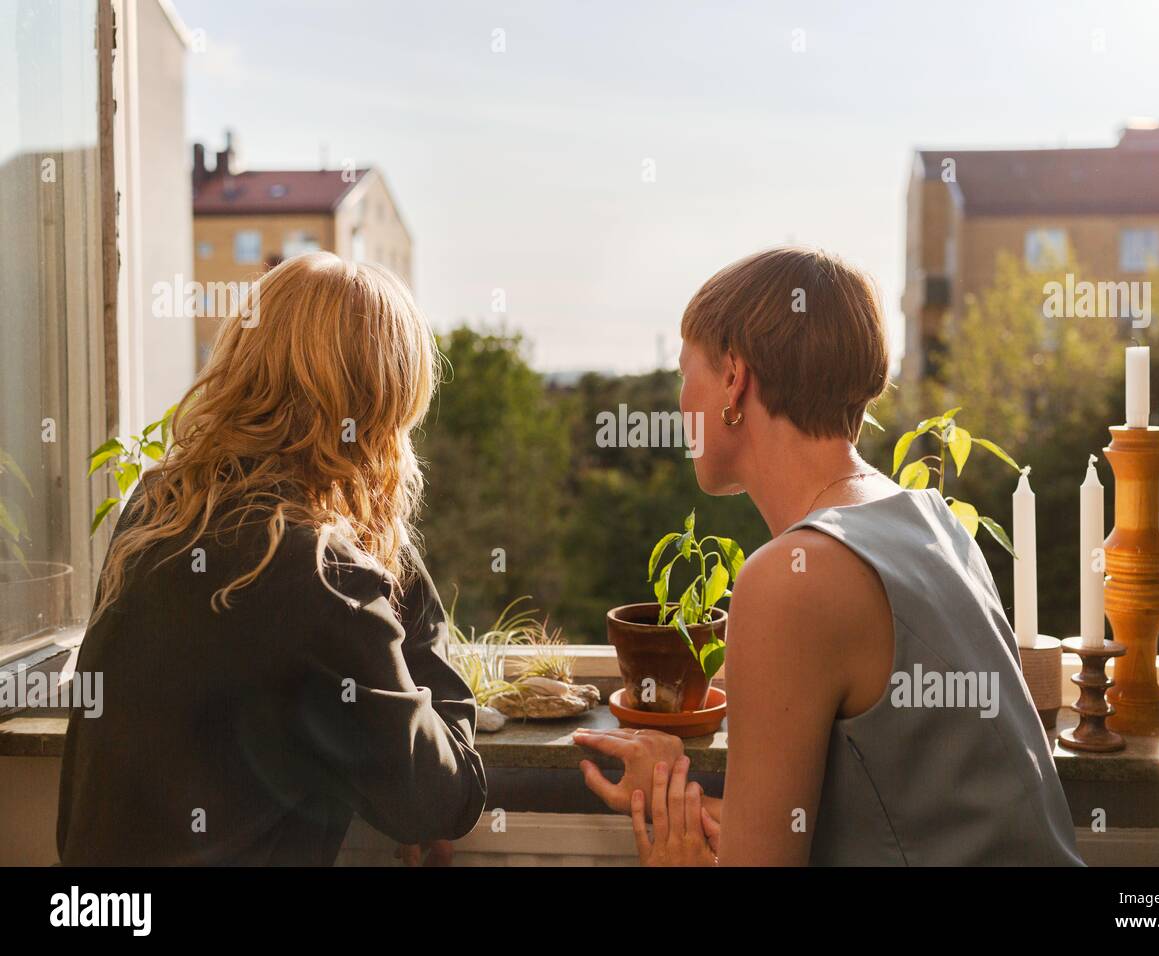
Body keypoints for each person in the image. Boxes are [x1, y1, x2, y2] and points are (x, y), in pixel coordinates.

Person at [576, 247, 1083, 866]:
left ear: (734, 376)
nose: (681, 404)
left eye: (687, 375)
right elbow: (886, 815)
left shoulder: (794, 579)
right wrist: (673, 789)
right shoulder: (932, 521)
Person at [58, 252, 486, 865]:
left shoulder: (157, 507)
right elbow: (442, 801)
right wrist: (387, 541)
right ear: (380, 416)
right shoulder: (317, 574)